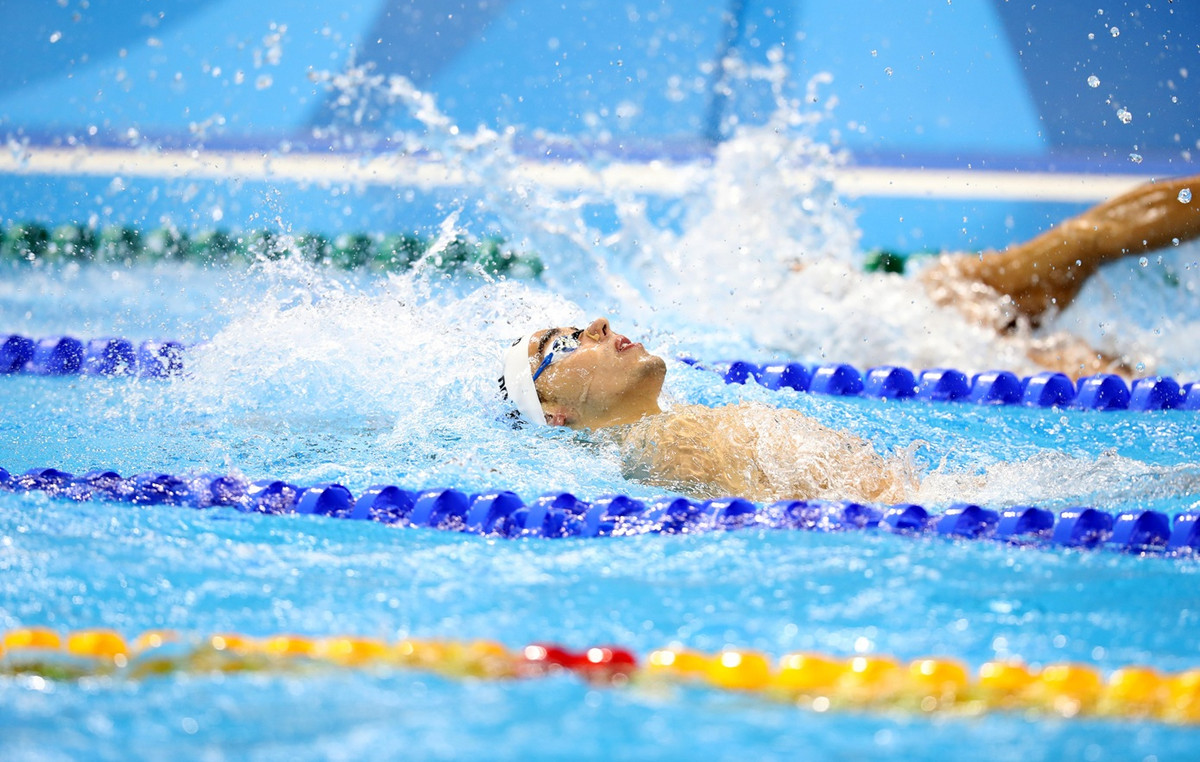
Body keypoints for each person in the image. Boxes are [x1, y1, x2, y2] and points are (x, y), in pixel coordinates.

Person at [499, 175, 1200, 503]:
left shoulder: (676, 430)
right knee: (1092, 314)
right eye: (560, 345)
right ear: (554, 414)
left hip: (952, 458)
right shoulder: (653, 453)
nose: (594, 324)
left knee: (1086, 268)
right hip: (957, 494)